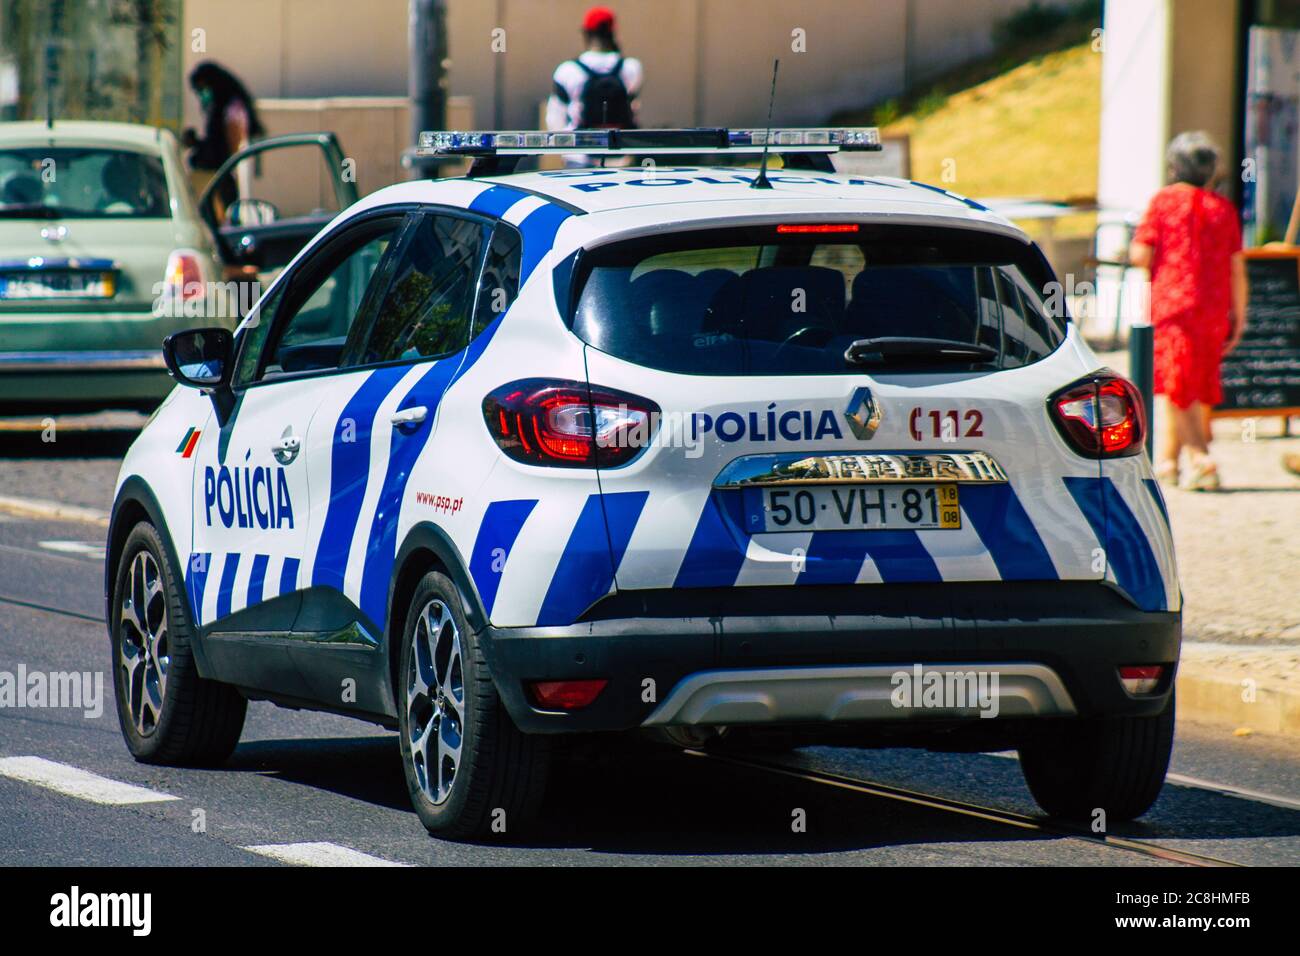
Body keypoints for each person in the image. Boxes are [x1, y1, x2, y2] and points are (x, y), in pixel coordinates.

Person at [1129, 132, 1247, 491]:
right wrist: (1239, 317)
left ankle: (1200, 458)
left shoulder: (1163, 202)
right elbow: (1237, 268)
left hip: (1172, 305)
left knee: (1179, 385)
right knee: (1192, 384)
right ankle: (1167, 462)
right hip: (1213, 310)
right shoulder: (1222, 208)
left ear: (1174, 166)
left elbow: (1140, 255)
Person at [545, 6, 642, 167]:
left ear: (586, 33)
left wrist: (563, 151)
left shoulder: (568, 70)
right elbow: (633, 109)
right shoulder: (632, 67)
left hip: (578, 157)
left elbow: (554, 120)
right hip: (618, 157)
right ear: (613, 33)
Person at [182, 61, 264, 218]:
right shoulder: (218, 110)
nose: (201, 93)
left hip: (223, 178)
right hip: (215, 176)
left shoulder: (233, 109)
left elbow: (232, 148)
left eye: (203, 88)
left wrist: (226, 172)